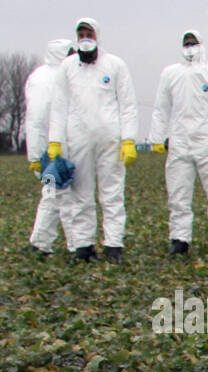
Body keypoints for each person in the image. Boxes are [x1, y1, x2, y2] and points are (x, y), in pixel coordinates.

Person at [47, 17, 138, 263]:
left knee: (111, 193)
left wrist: (128, 139)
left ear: (98, 35)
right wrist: (55, 140)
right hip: (78, 138)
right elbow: (59, 105)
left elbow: (128, 105)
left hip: (110, 139)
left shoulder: (115, 65)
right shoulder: (67, 67)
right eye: (81, 34)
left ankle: (113, 246)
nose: (85, 38)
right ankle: (83, 247)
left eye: (89, 34)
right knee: (80, 194)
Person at [149, 29, 208, 255]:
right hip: (179, 142)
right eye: (186, 43)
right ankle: (180, 240)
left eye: (193, 43)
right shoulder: (170, 74)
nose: (190, 47)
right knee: (178, 195)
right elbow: (161, 108)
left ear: (201, 45)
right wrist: (157, 137)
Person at [24, 39, 73, 257]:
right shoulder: (48, 79)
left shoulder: (46, 76)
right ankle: (76, 245)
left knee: (53, 196)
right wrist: (36, 155)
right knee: (63, 196)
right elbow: (36, 118)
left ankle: (41, 242)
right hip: (51, 152)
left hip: (54, 149)